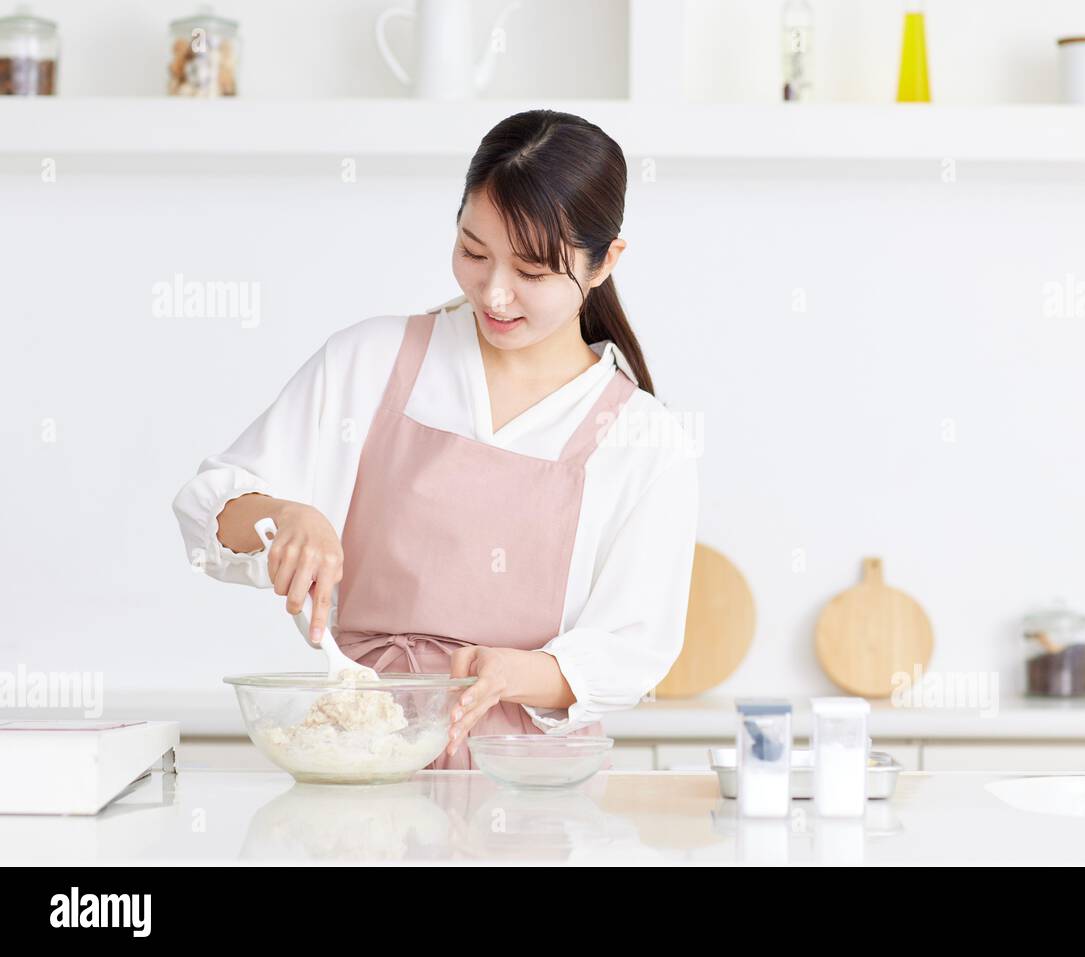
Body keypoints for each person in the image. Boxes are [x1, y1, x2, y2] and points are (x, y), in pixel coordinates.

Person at [172, 109, 699, 769]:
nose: (495, 292)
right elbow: (208, 507)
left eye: (532, 271)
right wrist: (284, 515)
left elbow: (637, 646)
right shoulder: (373, 360)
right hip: (365, 753)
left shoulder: (644, 438)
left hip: (531, 783)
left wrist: (516, 673)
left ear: (604, 262)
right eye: (474, 251)